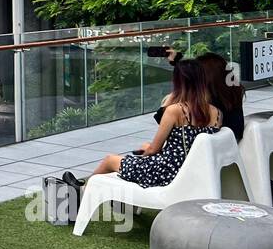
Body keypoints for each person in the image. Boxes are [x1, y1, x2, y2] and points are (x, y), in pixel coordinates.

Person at [84, 60, 221, 188]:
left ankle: (82, 191)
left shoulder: (175, 111)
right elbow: (189, 147)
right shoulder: (217, 114)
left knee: (109, 160)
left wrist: (143, 158)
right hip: (194, 171)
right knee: (145, 147)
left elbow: (154, 150)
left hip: (167, 174)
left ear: (179, 82)